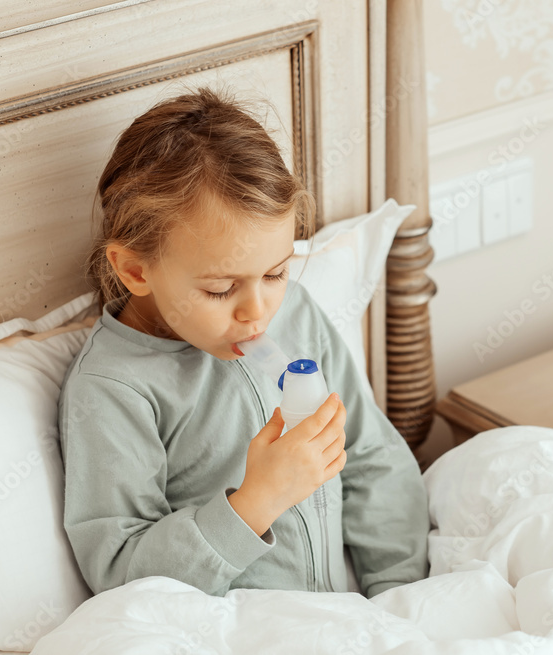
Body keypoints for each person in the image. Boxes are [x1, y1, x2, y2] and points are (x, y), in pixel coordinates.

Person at [56, 84, 430, 599]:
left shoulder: (295, 313)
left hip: (349, 619)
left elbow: (369, 453)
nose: (258, 312)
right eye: (220, 288)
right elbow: (122, 576)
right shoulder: (114, 389)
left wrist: (399, 594)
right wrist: (255, 502)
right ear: (135, 269)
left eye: (275, 273)